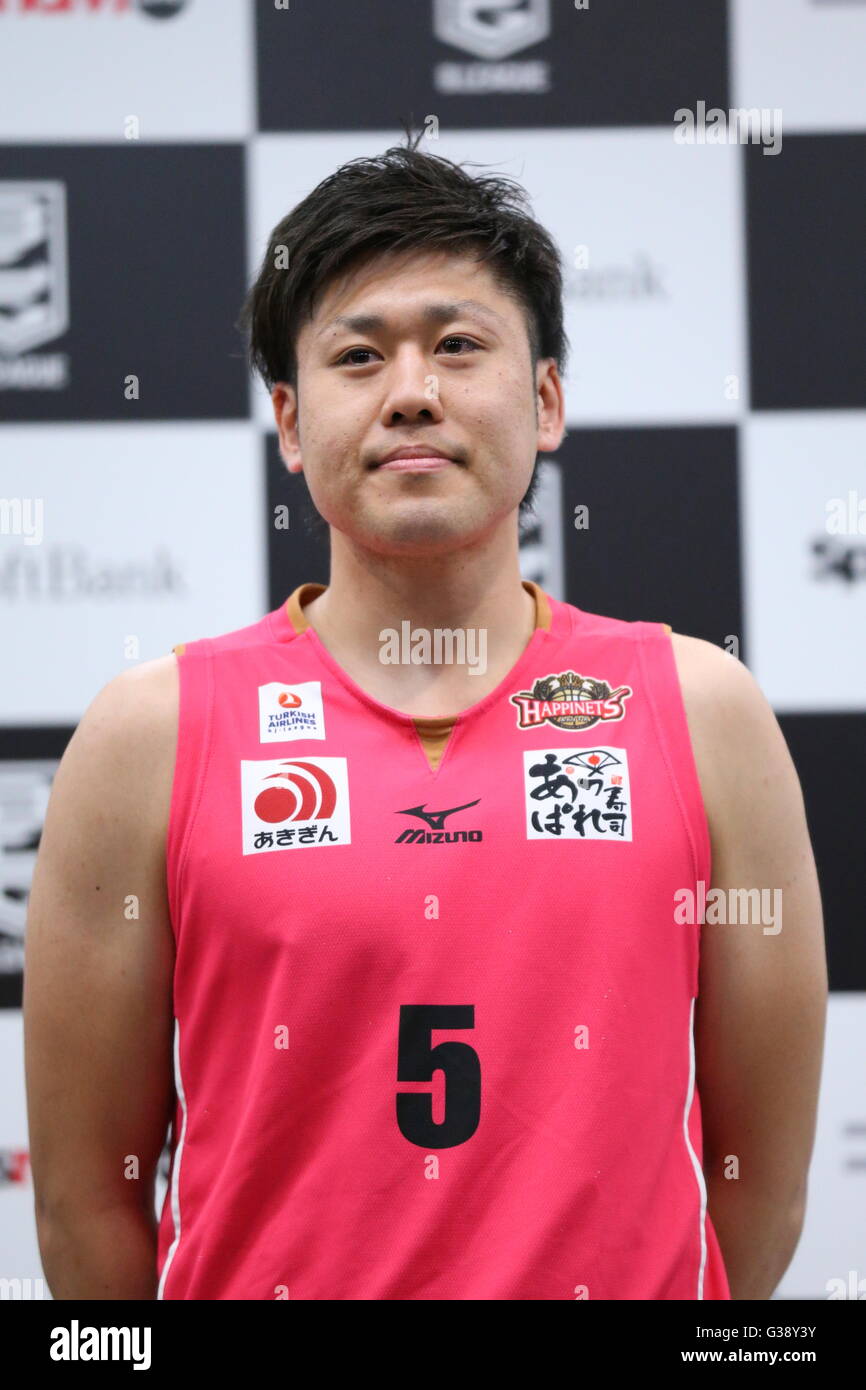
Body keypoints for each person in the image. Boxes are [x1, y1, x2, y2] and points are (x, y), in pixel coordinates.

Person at [24, 135, 827, 1300]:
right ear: (290, 425)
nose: (411, 391)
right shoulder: (148, 737)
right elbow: (86, 1197)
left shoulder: (701, 712)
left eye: (457, 345)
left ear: (544, 399)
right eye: (359, 355)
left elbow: (759, 1182)